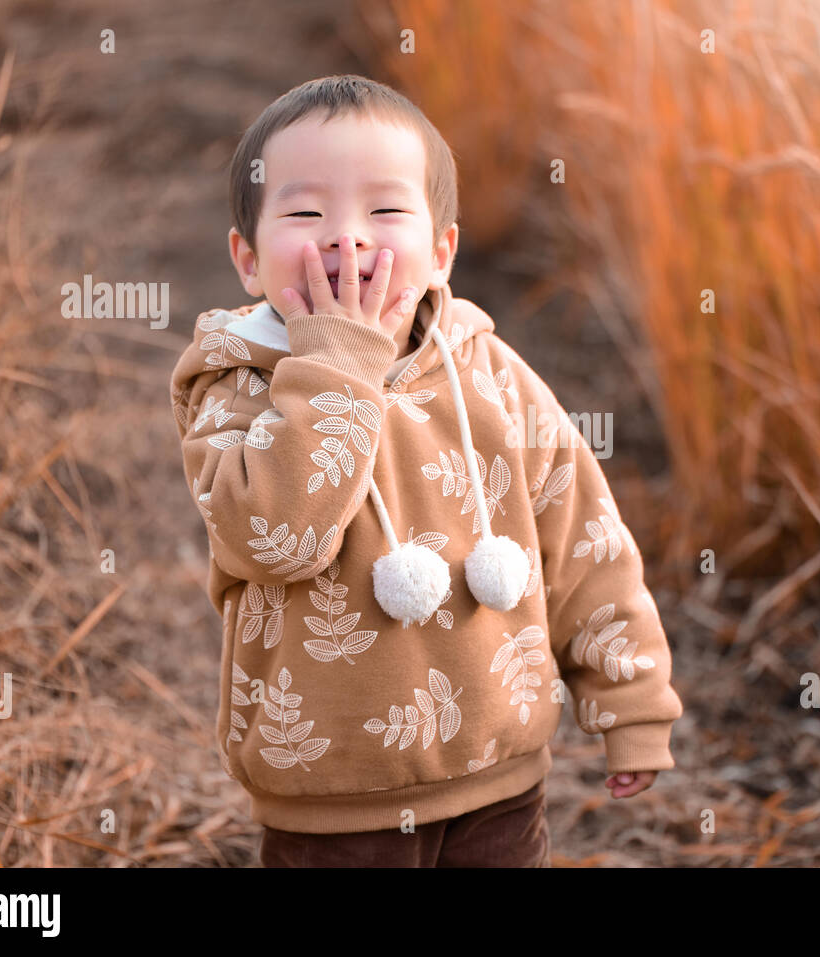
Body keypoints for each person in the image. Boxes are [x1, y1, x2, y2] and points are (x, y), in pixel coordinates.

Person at [168, 74, 683, 867]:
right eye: (306, 213)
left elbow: (581, 531)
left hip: (502, 776)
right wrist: (337, 364)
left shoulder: (490, 374)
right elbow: (272, 538)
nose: (349, 237)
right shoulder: (236, 387)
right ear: (247, 259)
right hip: (331, 797)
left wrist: (629, 695)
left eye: (385, 210)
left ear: (441, 250)